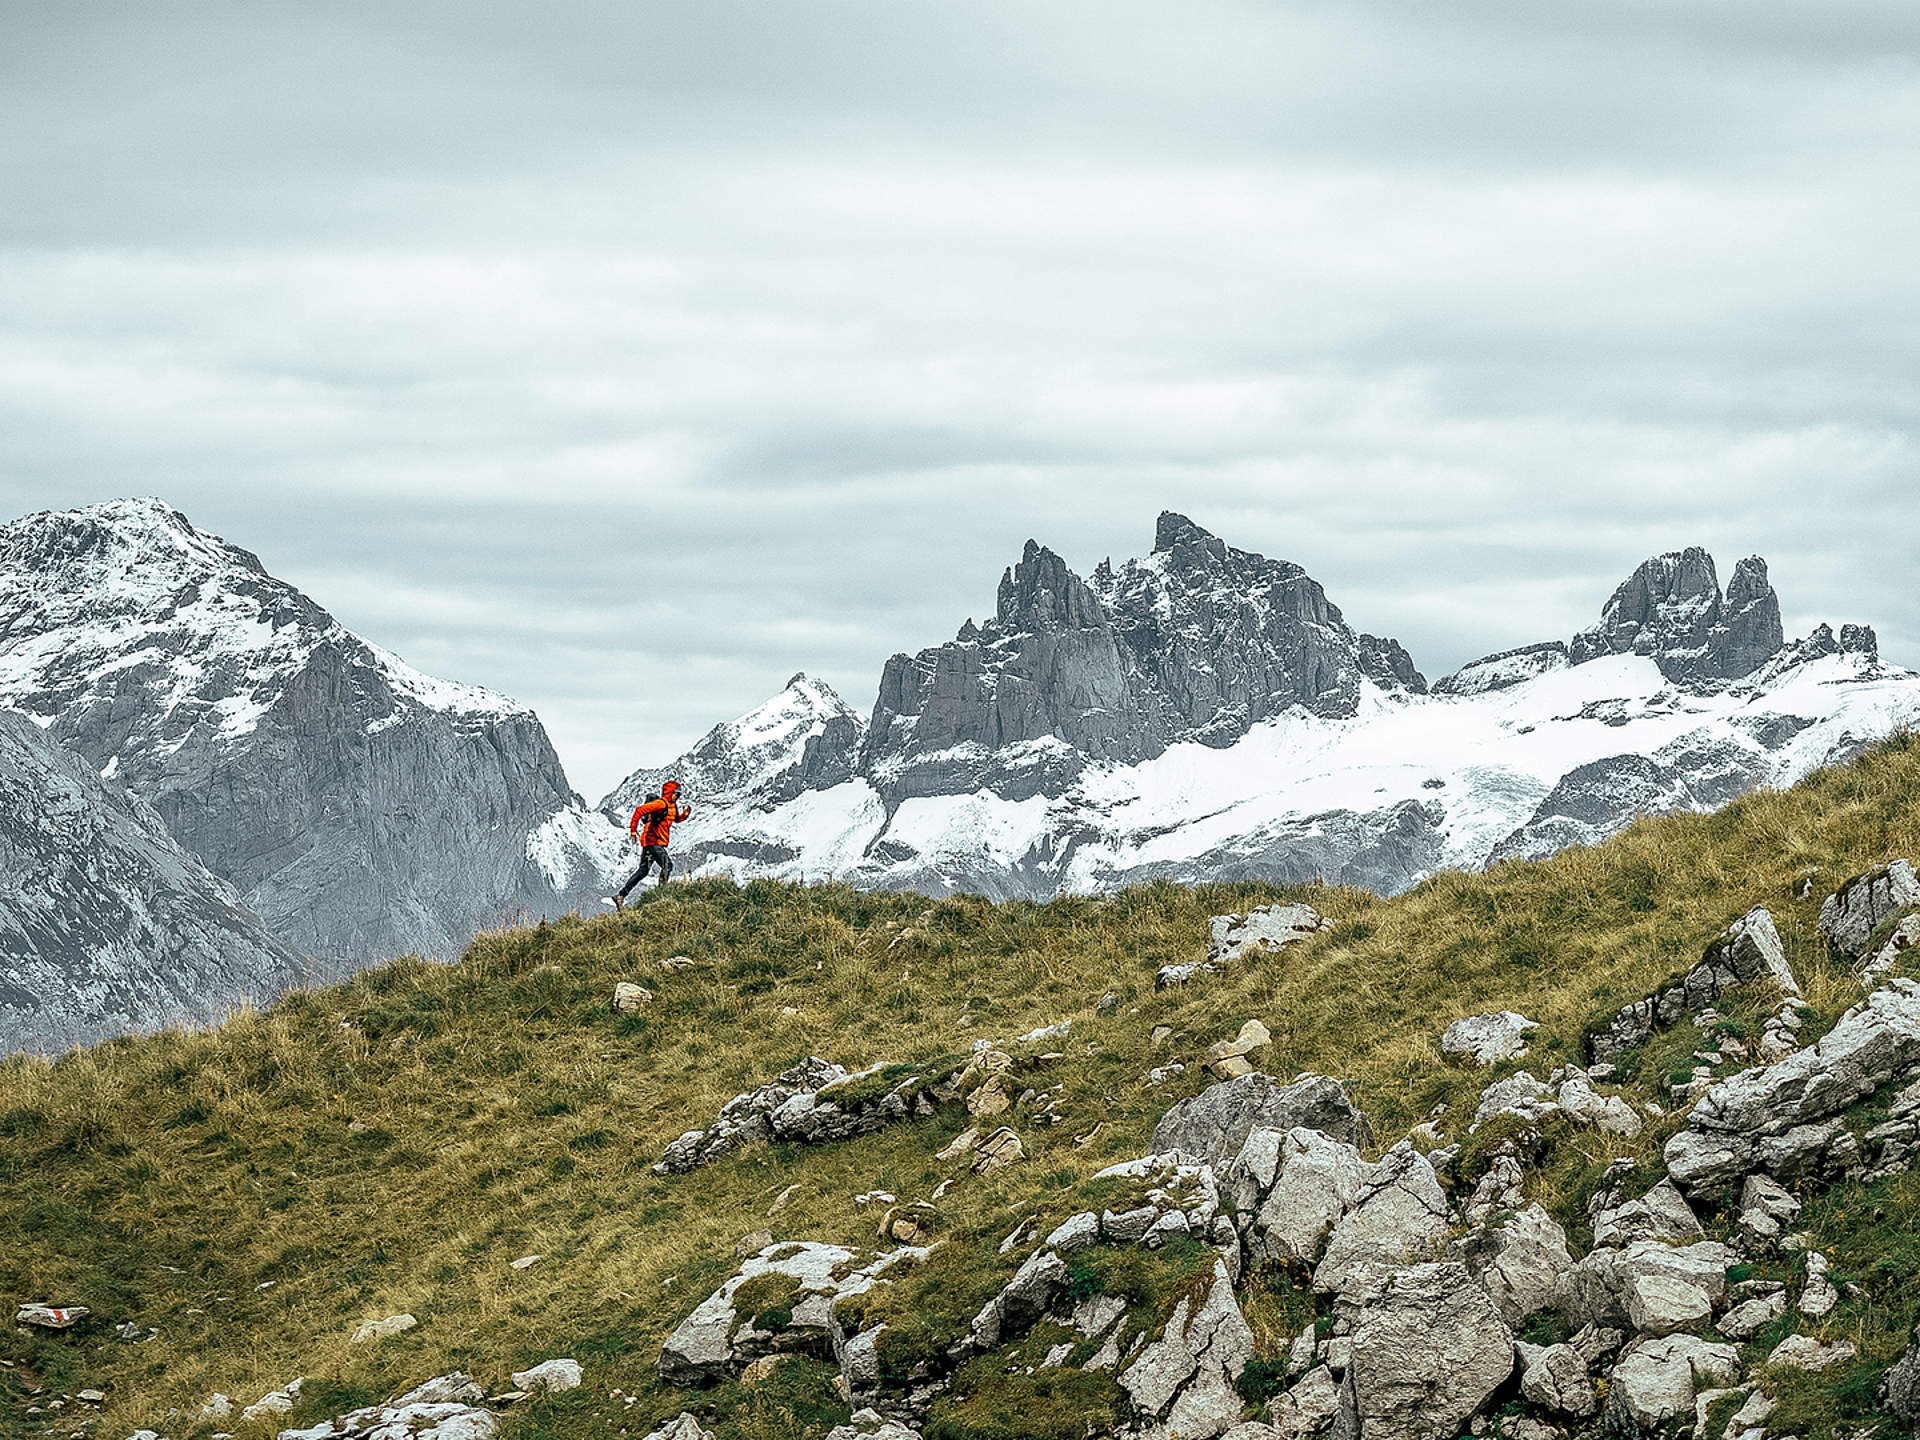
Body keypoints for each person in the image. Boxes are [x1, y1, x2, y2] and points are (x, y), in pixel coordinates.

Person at [613, 780, 691, 909]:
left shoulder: (673, 806)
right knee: (668, 865)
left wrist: (684, 816)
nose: (678, 797)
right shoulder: (660, 804)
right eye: (676, 794)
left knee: (643, 872)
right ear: (669, 792)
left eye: (679, 795)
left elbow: (675, 818)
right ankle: (661, 897)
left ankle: (620, 895)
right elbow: (639, 810)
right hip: (653, 842)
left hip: (655, 842)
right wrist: (633, 830)